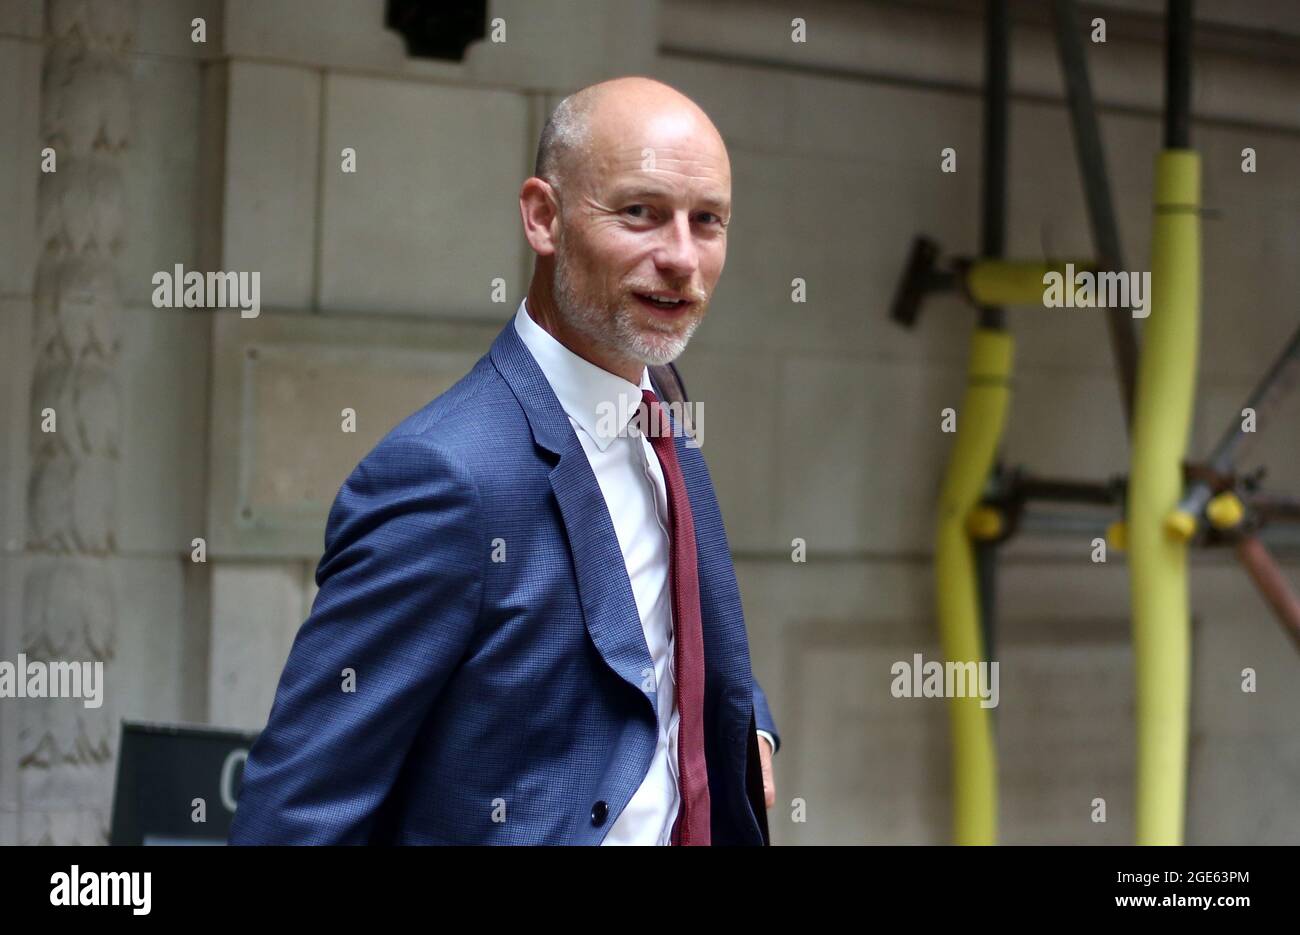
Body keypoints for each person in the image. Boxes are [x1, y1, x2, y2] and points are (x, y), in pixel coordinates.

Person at [229, 76, 779, 845]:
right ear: (543, 217)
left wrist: (743, 712)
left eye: (707, 220)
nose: (681, 257)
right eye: (641, 213)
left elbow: (670, 612)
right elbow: (297, 817)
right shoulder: (442, 478)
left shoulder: (663, 410)